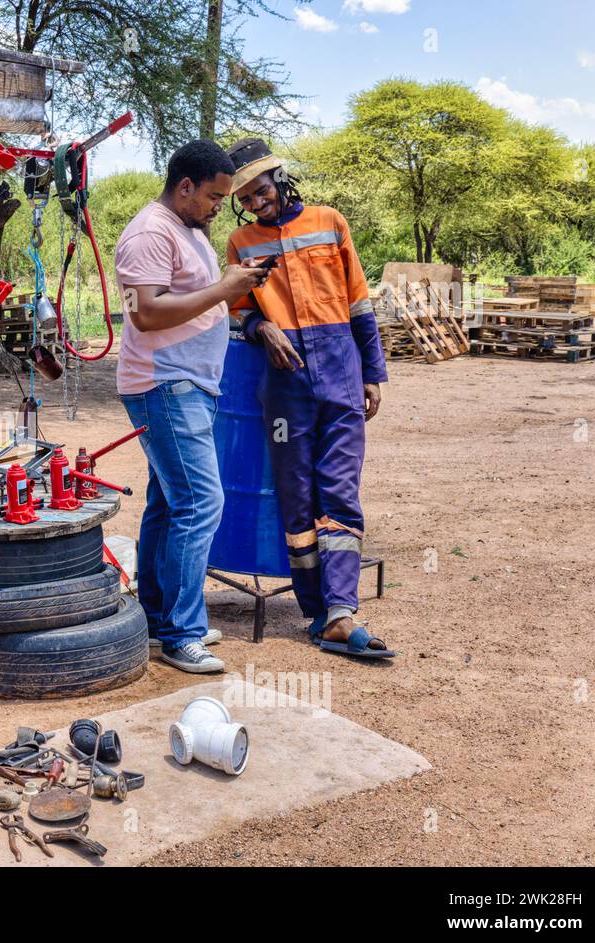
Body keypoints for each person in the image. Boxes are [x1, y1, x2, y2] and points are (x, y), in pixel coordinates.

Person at [224, 137, 395, 659]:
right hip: (284, 382)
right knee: (296, 498)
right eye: (245, 198)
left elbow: (359, 302)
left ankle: (342, 610)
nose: (256, 202)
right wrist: (260, 329)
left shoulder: (330, 221)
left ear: (278, 178)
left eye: (260, 190)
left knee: (340, 492)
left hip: (341, 372)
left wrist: (372, 373)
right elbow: (234, 309)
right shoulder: (239, 242)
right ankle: (317, 613)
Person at [115, 139, 271, 674]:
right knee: (202, 503)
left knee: (169, 503)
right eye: (212, 196)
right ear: (184, 187)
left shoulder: (188, 231)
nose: (217, 207)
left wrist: (234, 287)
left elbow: (192, 300)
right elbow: (146, 314)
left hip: (189, 385)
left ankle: (160, 620)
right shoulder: (148, 233)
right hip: (164, 384)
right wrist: (226, 288)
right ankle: (182, 632)